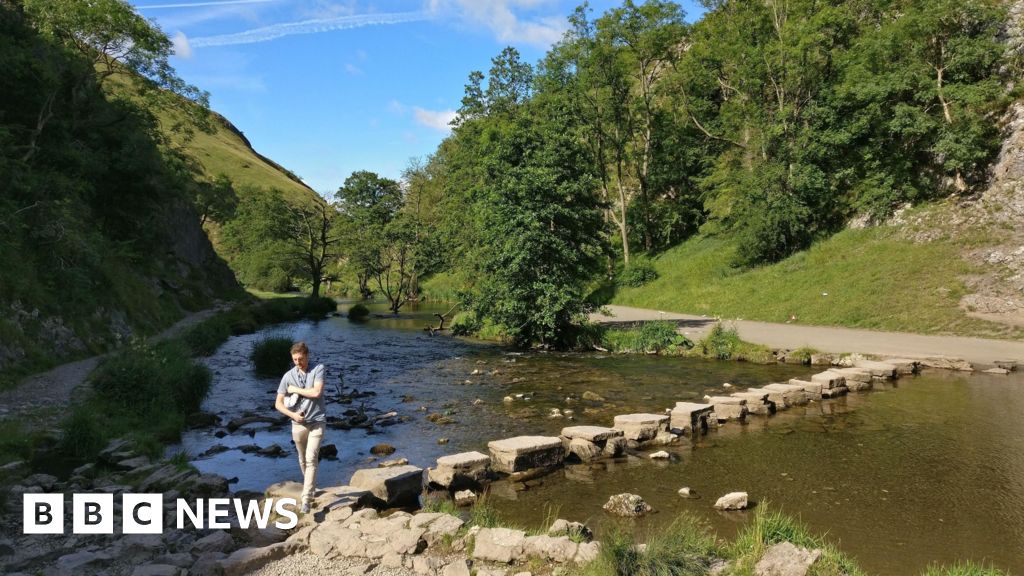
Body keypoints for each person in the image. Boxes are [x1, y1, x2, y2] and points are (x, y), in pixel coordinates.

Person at [274, 341, 326, 514]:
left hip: (317, 421)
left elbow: (316, 392)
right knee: (302, 459)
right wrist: (293, 415)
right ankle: (310, 487)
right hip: (298, 424)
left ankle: (306, 499)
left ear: (307, 356)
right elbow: (278, 404)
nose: (298, 363)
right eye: (295, 360)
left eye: (301, 359)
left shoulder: (318, 369)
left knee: (312, 458)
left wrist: (295, 389)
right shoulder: (288, 376)